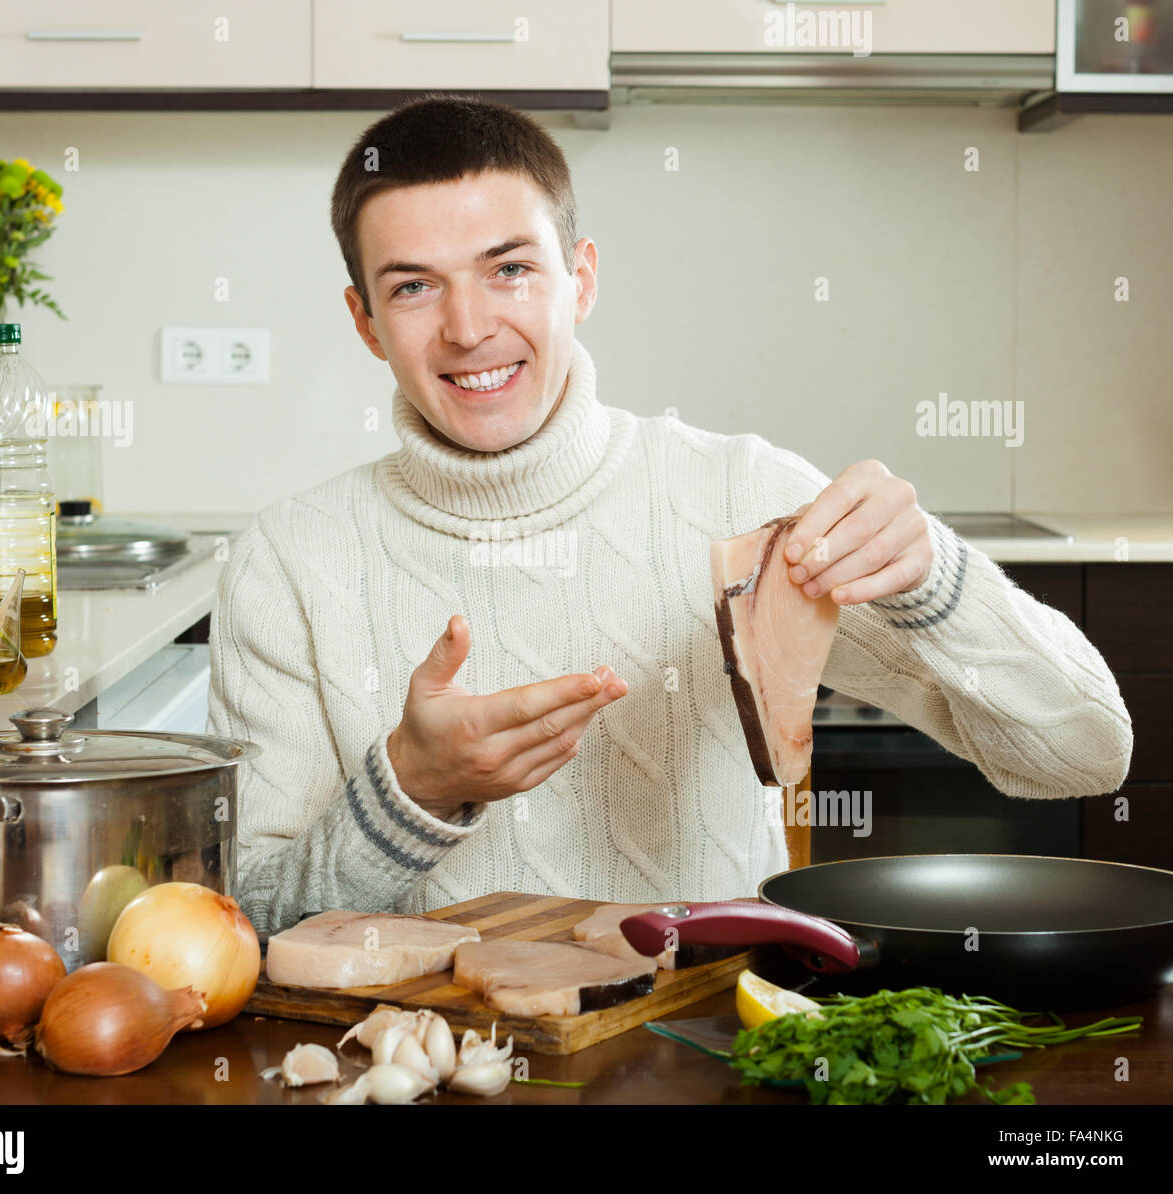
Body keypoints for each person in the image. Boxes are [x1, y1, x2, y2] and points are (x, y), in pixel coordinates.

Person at [208, 95, 1132, 935]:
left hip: (711, 1043)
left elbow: (1087, 756)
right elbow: (244, 919)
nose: (468, 326)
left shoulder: (738, 496)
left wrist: (937, 579)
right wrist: (412, 789)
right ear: (365, 321)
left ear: (582, 279)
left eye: (511, 270)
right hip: (424, 1061)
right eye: (413, 286)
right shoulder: (290, 561)